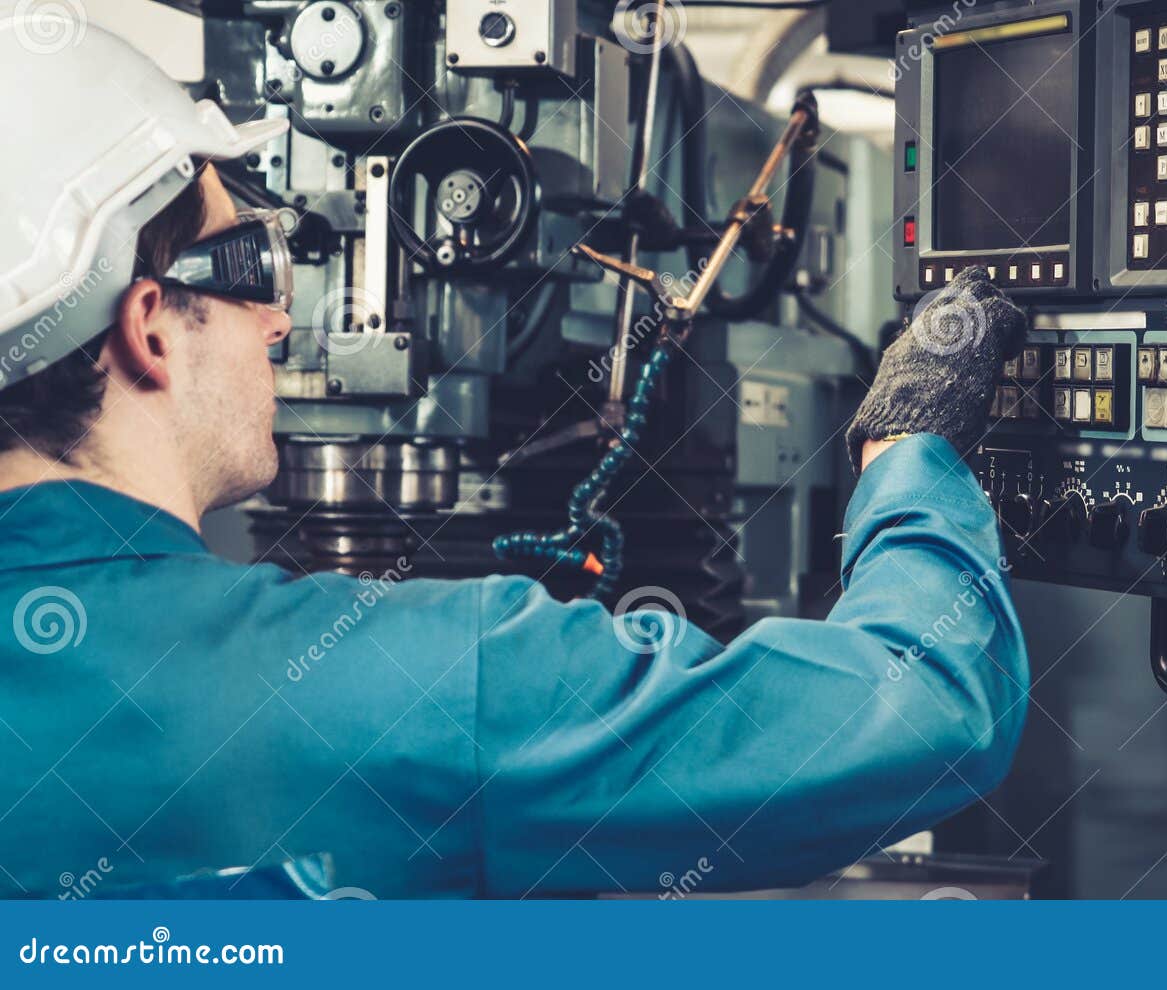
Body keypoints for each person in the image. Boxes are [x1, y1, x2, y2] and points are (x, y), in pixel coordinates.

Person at [0, 17, 1028, 898]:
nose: (280, 317)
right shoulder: (433, 684)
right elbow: (924, 704)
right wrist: (909, 443)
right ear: (148, 326)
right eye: (257, 259)